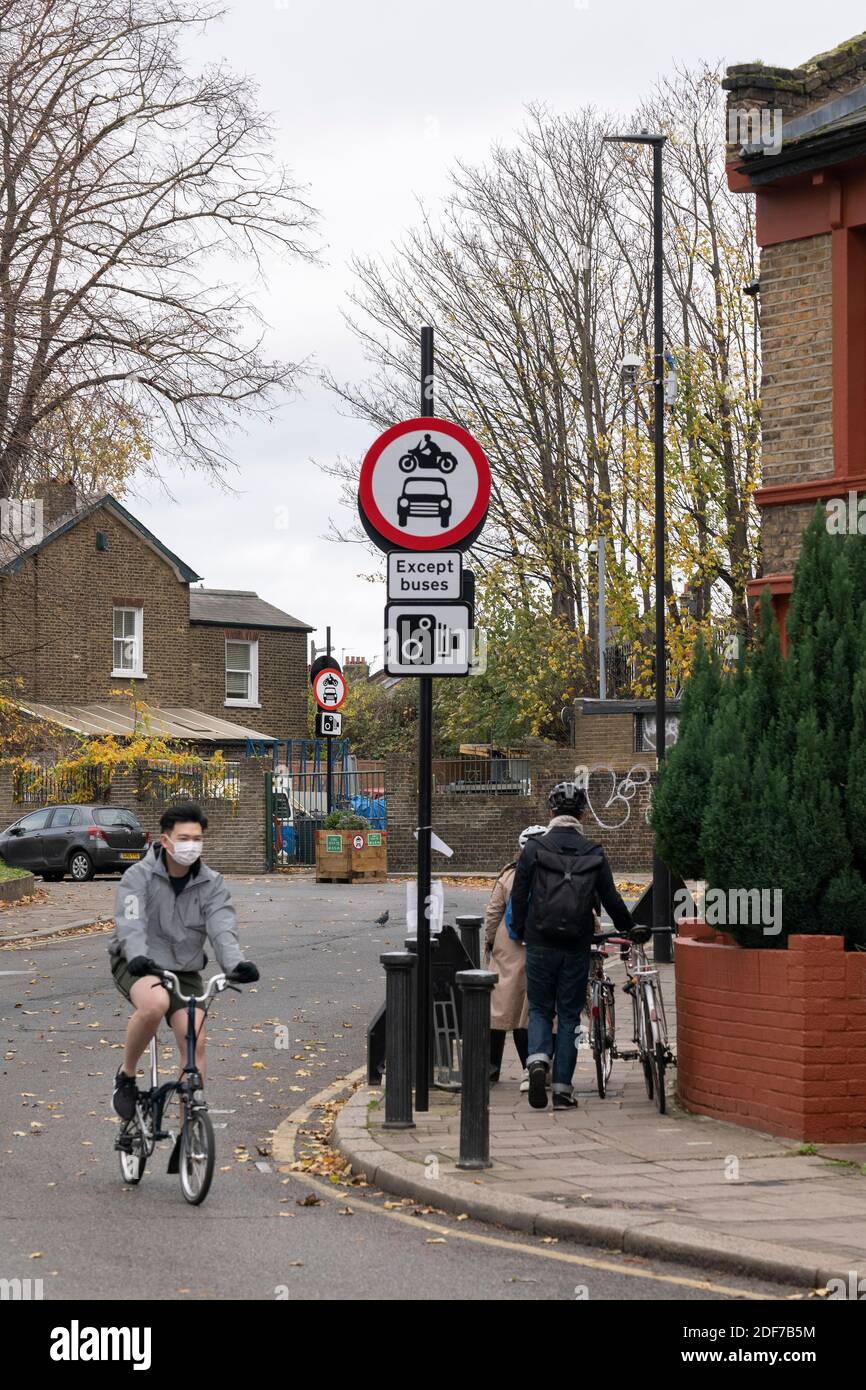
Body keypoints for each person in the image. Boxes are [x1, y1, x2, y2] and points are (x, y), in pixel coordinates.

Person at [108, 802, 259, 1120]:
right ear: (166, 841)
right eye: (184, 838)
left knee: (195, 1040)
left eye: (197, 838)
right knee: (154, 1004)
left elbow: (222, 928)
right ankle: (127, 1075)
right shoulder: (139, 876)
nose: (191, 845)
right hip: (139, 962)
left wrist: (235, 965)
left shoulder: (212, 883)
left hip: (185, 967)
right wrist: (136, 956)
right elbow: (131, 922)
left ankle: (190, 1124)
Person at [510, 781, 638, 1111]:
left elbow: (518, 896)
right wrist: (629, 928)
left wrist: (520, 929)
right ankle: (563, 1089)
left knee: (539, 1008)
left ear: (551, 813)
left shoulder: (534, 848)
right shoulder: (593, 852)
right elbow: (610, 898)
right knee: (568, 1015)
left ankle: (537, 1061)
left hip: (539, 940)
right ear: (582, 814)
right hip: (576, 944)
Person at [484, 824, 547, 1091]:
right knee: (530, 1013)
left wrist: (489, 942)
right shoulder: (556, 874)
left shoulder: (508, 875)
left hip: (508, 948)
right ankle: (532, 1067)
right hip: (543, 947)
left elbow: (493, 914)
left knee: (497, 1010)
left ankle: (491, 1069)